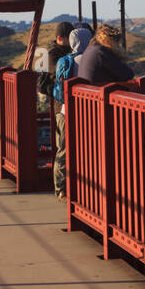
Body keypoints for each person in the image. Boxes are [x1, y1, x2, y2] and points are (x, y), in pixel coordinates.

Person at [52, 26, 92, 200]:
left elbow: (57, 89)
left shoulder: (64, 60)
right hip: (86, 114)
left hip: (64, 110)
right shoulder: (92, 60)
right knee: (87, 151)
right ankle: (85, 187)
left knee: (63, 151)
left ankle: (60, 188)